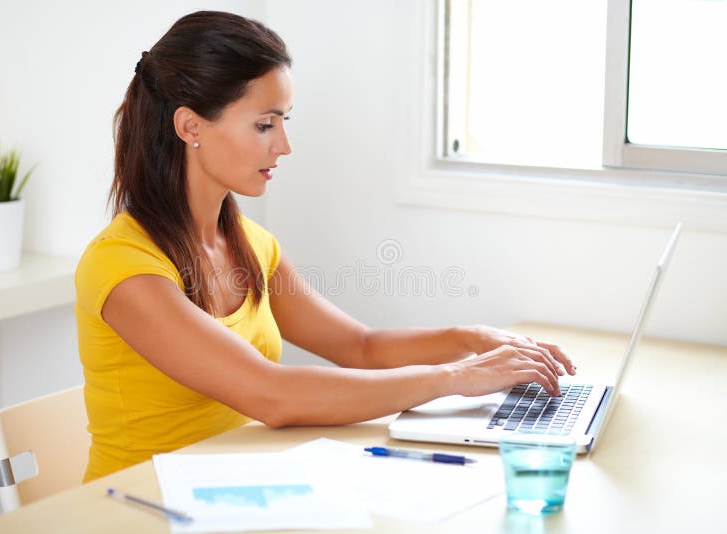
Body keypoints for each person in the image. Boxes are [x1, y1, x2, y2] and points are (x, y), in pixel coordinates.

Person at [75, 10, 576, 482]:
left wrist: (471, 339)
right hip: (138, 507)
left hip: (233, 492)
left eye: (284, 121)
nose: (284, 145)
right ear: (190, 126)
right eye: (265, 124)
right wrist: (454, 376)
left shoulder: (251, 245)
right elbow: (272, 395)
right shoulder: (124, 267)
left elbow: (359, 347)